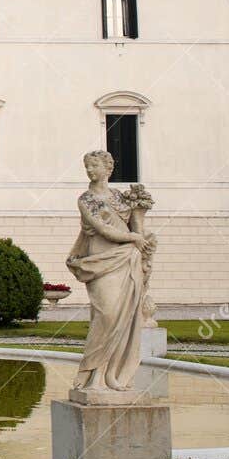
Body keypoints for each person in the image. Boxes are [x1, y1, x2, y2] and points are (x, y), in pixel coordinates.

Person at [65, 149, 156, 396]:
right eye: (87, 166)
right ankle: (91, 373)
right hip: (100, 262)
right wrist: (133, 237)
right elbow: (103, 229)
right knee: (106, 315)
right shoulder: (86, 199)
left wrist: (139, 214)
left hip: (126, 260)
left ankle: (109, 375)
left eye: (94, 165)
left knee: (123, 318)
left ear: (108, 168)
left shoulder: (118, 198)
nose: (89, 170)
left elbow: (135, 227)